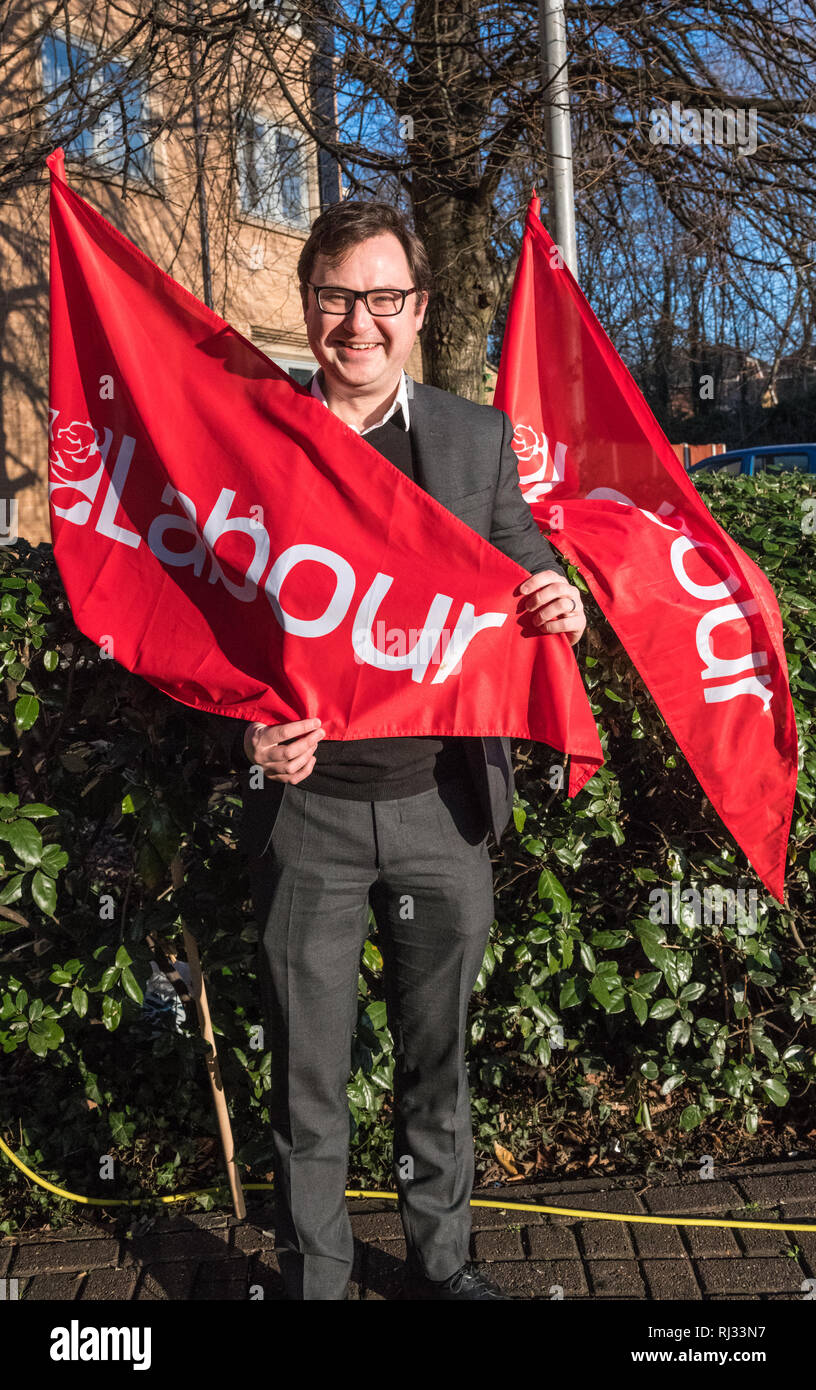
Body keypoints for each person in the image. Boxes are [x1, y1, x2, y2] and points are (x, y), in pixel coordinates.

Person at [217, 201, 586, 1300]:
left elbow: (525, 572)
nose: (360, 321)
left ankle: (442, 1264)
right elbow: (202, 618)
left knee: (439, 1065)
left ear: (418, 311)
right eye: (338, 296)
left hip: (441, 805)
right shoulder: (255, 434)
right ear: (308, 304)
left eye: (384, 298)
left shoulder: (472, 441)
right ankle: (317, 1281)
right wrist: (247, 736)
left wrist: (564, 600)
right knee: (307, 1077)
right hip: (308, 812)